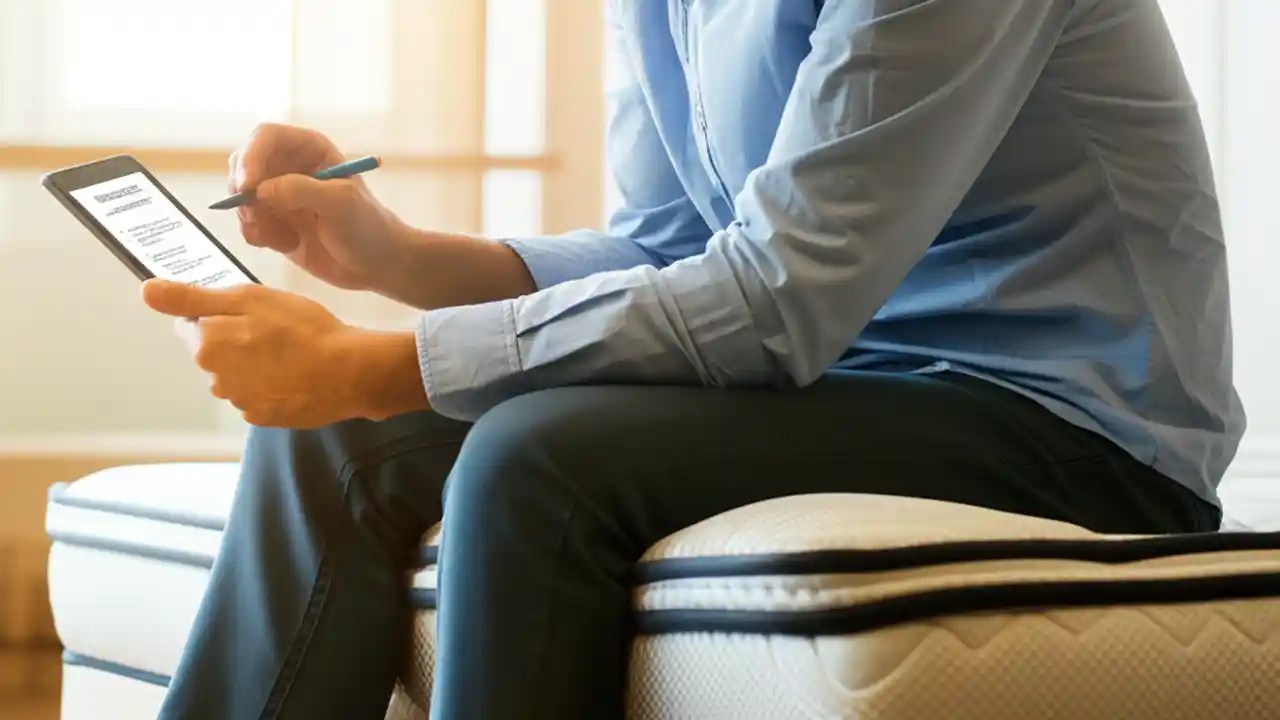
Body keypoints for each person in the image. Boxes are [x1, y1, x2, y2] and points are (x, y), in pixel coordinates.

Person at [146, 1, 1242, 717]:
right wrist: (396, 256)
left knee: (539, 455)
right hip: (840, 377)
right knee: (338, 434)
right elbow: (670, 246)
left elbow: (775, 295)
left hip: (1070, 422)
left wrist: (384, 363)